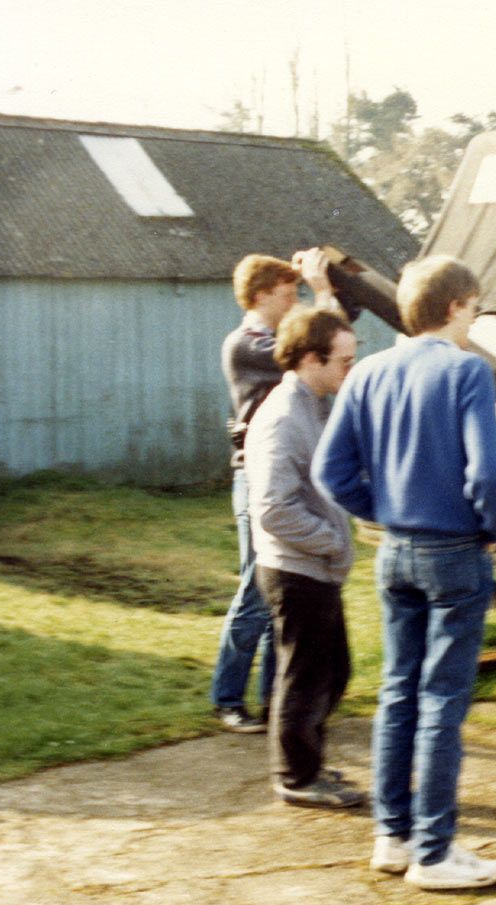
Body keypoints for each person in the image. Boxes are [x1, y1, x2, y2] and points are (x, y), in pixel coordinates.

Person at [314, 254, 496, 890]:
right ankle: (435, 852)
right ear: (457, 306)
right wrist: (493, 527)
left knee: (398, 692)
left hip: (393, 550)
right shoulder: (467, 371)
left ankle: (392, 836)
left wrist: (385, 511)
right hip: (455, 550)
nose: (475, 320)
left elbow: (330, 471)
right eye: (476, 308)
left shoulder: (368, 371)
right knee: (441, 702)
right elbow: (487, 473)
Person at [210, 248, 341, 733]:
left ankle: (275, 699)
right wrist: (323, 294)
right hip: (255, 477)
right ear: (261, 296)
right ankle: (227, 698)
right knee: (255, 591)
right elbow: (309, 349)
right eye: (288, 295)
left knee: (278, 597)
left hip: (284, 474)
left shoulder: (271, 337)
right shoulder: (245, 344)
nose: (293, 303)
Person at [246, 306, 362, 808]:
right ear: (311, 358)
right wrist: (332, 541)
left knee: (333, 673)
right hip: (295, 571)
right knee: (306, 678)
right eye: (343, 361)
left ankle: (307, 763)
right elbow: (273, 509)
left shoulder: (313, 403)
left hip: (315, 569)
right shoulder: (282, 417)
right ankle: (296, 778)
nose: (350, 371)